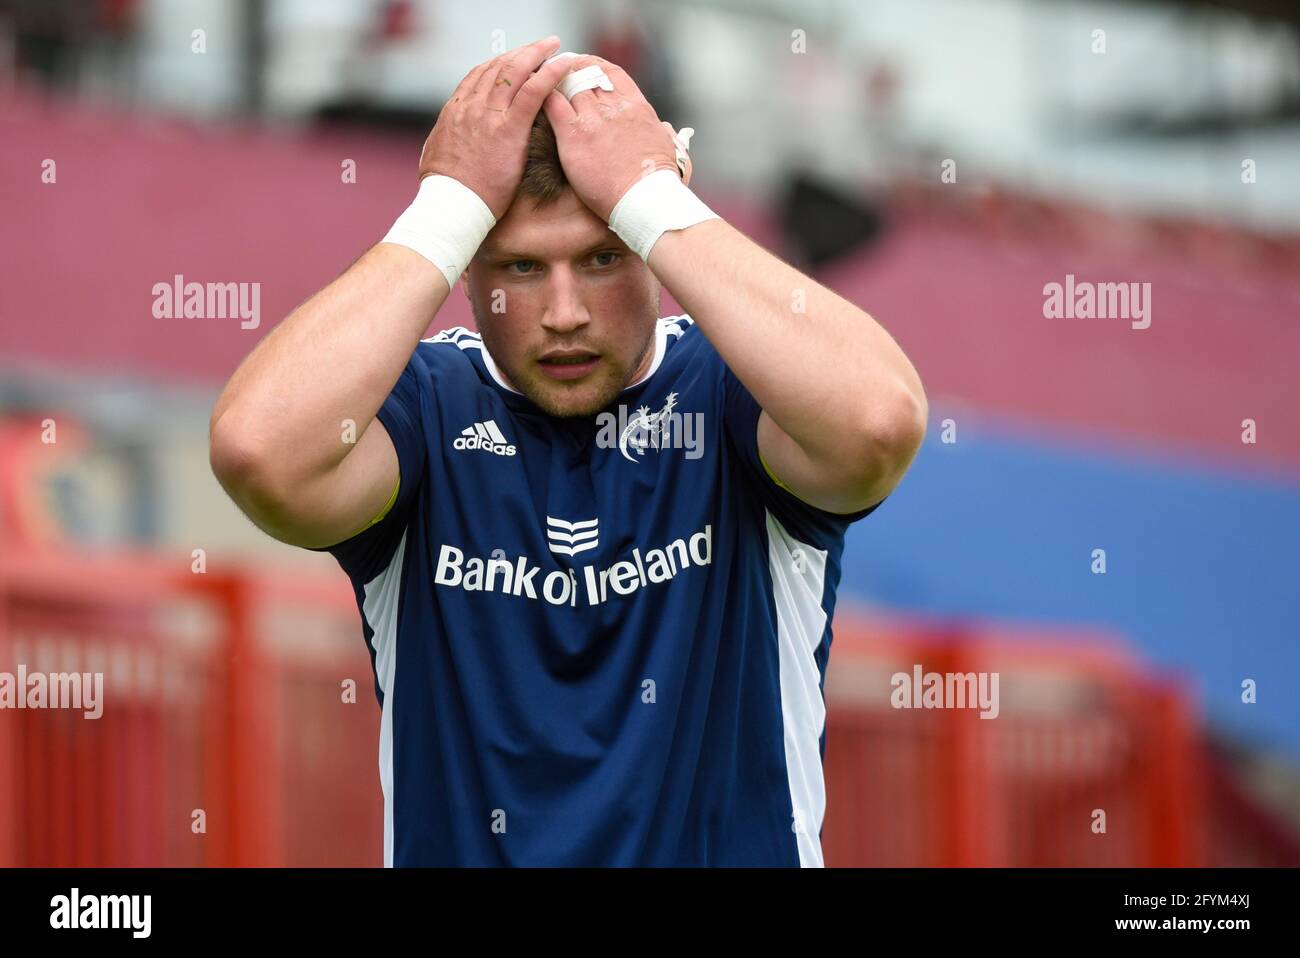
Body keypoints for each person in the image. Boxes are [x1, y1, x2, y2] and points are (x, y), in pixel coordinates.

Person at [209, 36, 927, 866]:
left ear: (652, 242)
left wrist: (651, 195)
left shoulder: (733, 391)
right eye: (519, 265)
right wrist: (444, 209)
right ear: (468, 272)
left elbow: (878, 422)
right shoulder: (425, 408)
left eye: (602, 258)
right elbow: (259, 451)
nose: (563, 312)